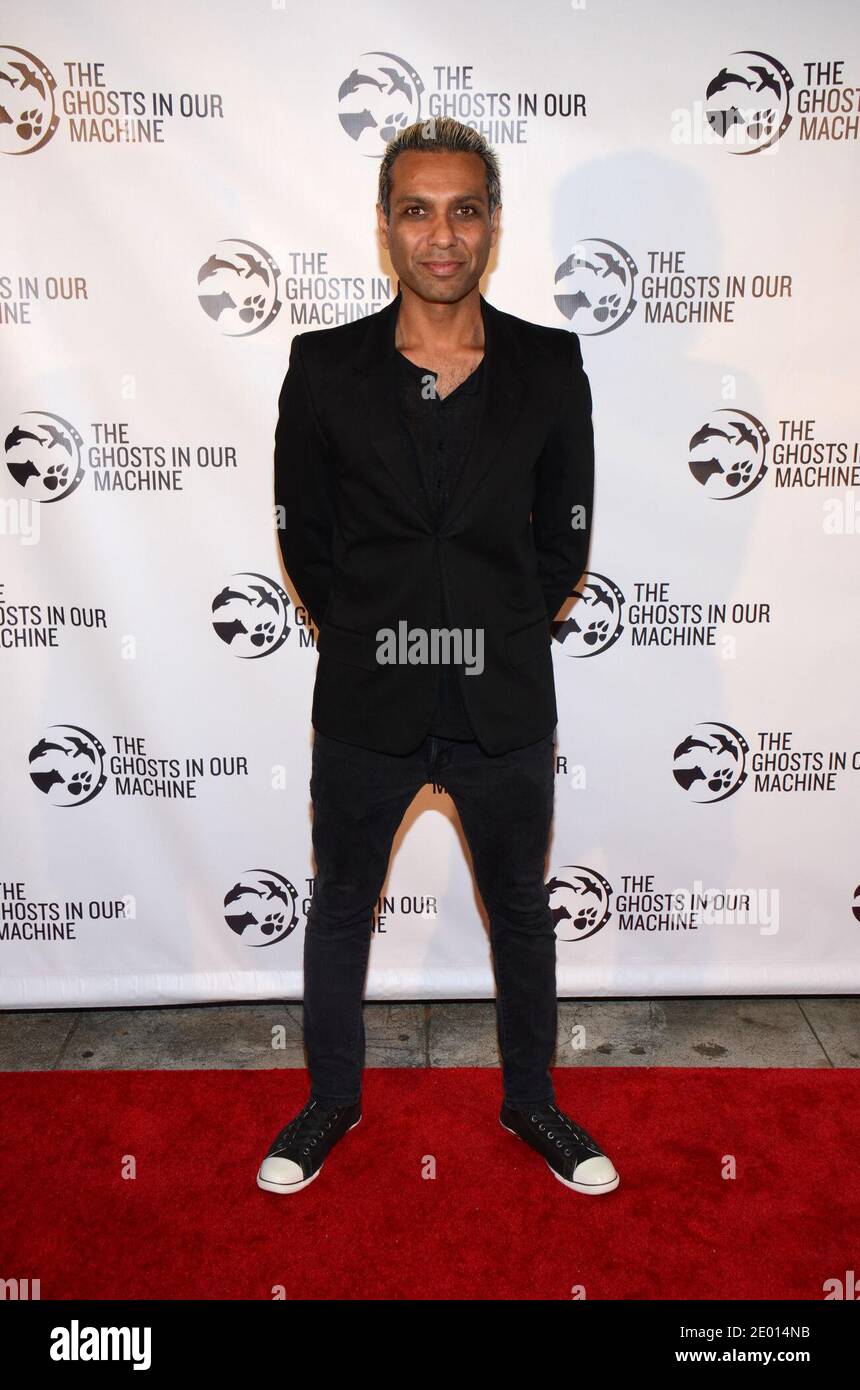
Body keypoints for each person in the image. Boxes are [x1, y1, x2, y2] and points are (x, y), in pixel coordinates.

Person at [259, 117, 619, 1197]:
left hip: (501, 695)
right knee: (340, 900)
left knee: (517, 903)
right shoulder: (321, 368)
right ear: (384, 228)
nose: (441, 234)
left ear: (492, 227)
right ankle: (329, 1101)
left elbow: (564, 537)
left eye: (464, 209)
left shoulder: (549, 366)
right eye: (416, 209)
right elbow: (305, 540)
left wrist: (494, 631)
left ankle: (532, 1103)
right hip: (367, 695)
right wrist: (372, 633)